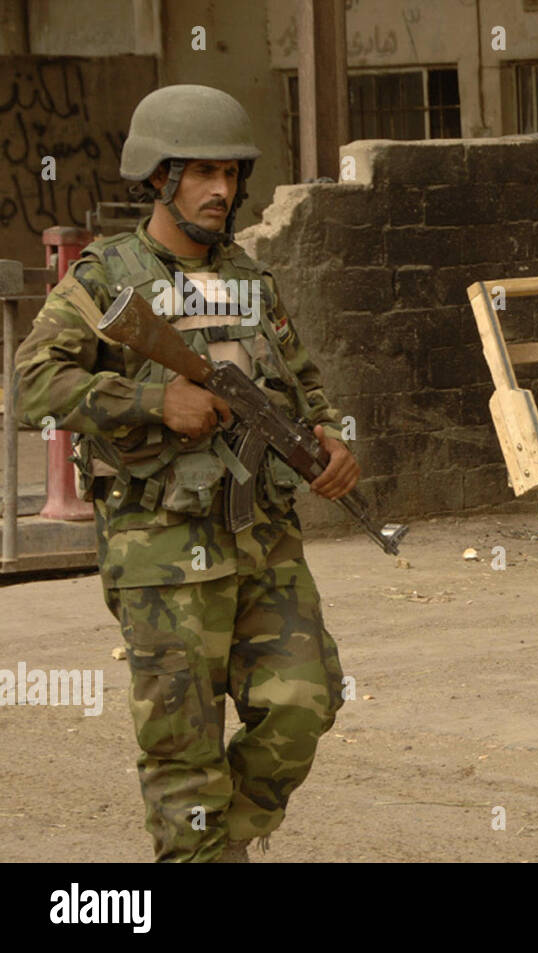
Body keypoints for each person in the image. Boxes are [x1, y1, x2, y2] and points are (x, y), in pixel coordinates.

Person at [15, 85, 358, 861]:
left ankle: (223, 846)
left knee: (305, 703)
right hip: (160, 549)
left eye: (232, 173)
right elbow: (33, 383)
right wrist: (152, 399)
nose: (222, 189)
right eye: (203, 171)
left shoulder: (248, 277)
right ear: (161, 177)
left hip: (262, 539)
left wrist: (331, 439)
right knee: (184, 751)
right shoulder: (106, 278)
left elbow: (302, 384)